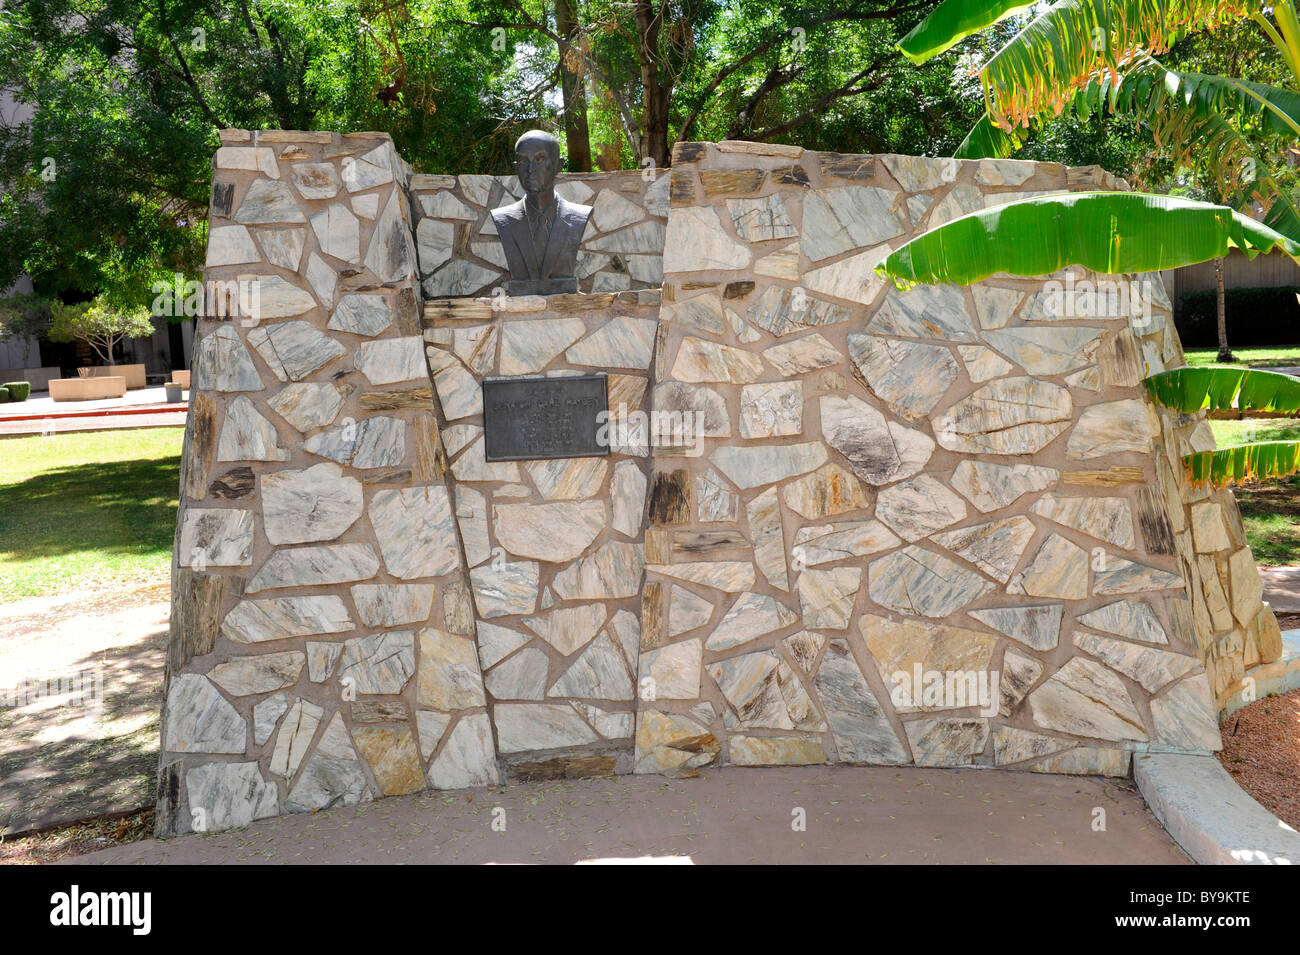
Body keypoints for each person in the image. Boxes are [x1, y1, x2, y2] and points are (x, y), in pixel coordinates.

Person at [490, 130, 592, 295]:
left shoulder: (577, 217)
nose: (531, 169)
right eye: (523, 161)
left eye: (540, 159)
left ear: (558, 166)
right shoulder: (504, 219)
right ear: (516, 168)